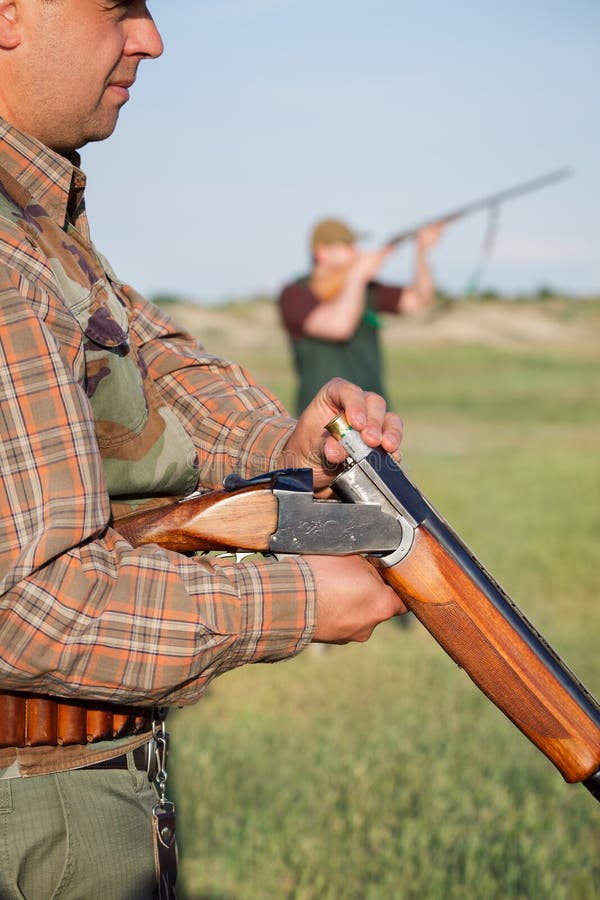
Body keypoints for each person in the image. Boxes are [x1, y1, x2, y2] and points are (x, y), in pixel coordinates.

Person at [0, 3, 409, 898]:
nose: (151, 38)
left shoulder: (37, 219)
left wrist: (288, 448)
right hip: (37, 813)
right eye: (118, 9)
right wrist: (295, 603)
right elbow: (24, 606)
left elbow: (146, 362)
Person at [278, 217, 444, 414]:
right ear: (322, 252)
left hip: (371, 414)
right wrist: (357, 276)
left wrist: (422, 252)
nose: (356, 251)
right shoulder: (295, 293)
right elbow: (339, 327)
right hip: (323, 420)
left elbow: (419, 299)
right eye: (347, 245)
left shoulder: (366, 289)